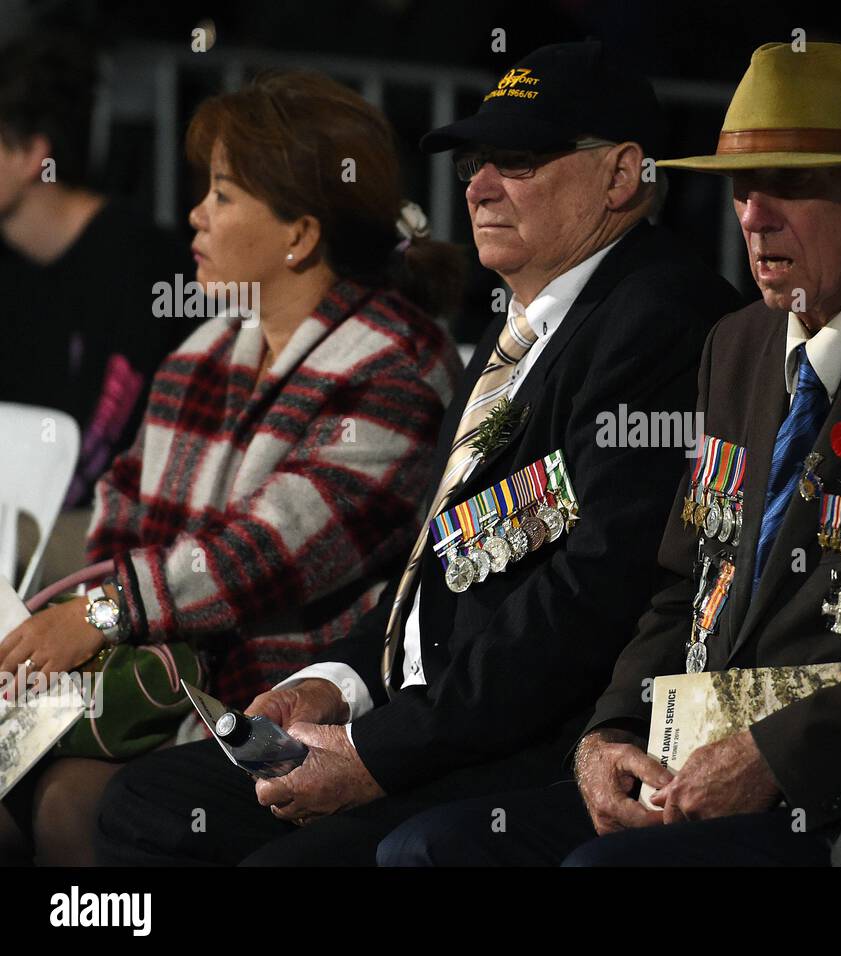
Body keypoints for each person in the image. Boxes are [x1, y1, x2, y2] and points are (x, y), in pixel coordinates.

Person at [378, 42, 841, 867]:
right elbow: (683, 585)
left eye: (790, 185)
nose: (752, 216)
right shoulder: (738, 345)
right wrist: (611, 731)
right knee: (430, 852)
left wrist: (780, 755)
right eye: (742, 188)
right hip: (703, 781)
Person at [94, 40, 741, 867]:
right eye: (476, 161)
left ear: (621, 177)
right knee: (144, 805)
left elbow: (586, 607)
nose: (477, 186)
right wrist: (337, 683)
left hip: (535, 743)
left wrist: (376, 753)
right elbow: (432, 574)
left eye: (520, 160)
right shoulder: (528, 320)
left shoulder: (660, 317)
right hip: (428, 715)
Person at [0, 69, 463, 865]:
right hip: (147, 683)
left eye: (221, 194)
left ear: (300, 233)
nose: (195, 217)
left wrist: (106, 614)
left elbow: (273, 551)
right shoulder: (203, 350)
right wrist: (85, 625)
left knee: (70, 802)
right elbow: (123, 507)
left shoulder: (395, 364)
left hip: (275, 705)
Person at [0, 32, 191, 507]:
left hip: (105, 531)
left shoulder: (136, 259)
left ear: (30, 156)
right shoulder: (11, 260)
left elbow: (99, 452)